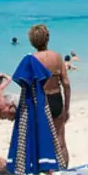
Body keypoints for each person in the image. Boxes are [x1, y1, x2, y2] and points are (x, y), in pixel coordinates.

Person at [28, 24, 71, 163]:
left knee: (42, 141)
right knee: (60, 140)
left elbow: (27, 86)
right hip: (56, 99)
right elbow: (66, 84)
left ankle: (49, 174)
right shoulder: (57, 57)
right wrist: (66, 107)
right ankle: (64, 172)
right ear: (47, 38)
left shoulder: (31, 59)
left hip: (40, 101)